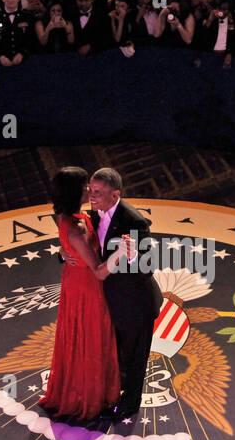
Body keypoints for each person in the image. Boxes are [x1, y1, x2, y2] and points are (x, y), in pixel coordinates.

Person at [38, 167, 129, 422]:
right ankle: (88, 396)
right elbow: (100, 272)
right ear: (75, 190)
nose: (90, 189)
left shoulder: (70, 216)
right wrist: (122, 251)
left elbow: (69, 243)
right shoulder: (75, 227)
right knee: (90, 338)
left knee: (83, 337)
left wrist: (63, 253)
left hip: (76, 280)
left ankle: (91, 389)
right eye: (86, 186)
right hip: (87, 289)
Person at [88, 168, 163, 421]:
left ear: (115, 194)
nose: (91, 196)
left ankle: (128, 405)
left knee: (134, 359)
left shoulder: (134, 222)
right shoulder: (94, 214)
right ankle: (111, 394)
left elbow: (148, 267)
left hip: (136, 304)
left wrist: (131, 255)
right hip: (112, 301)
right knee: (116, 353)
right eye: (90, 189)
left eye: (98, 192)